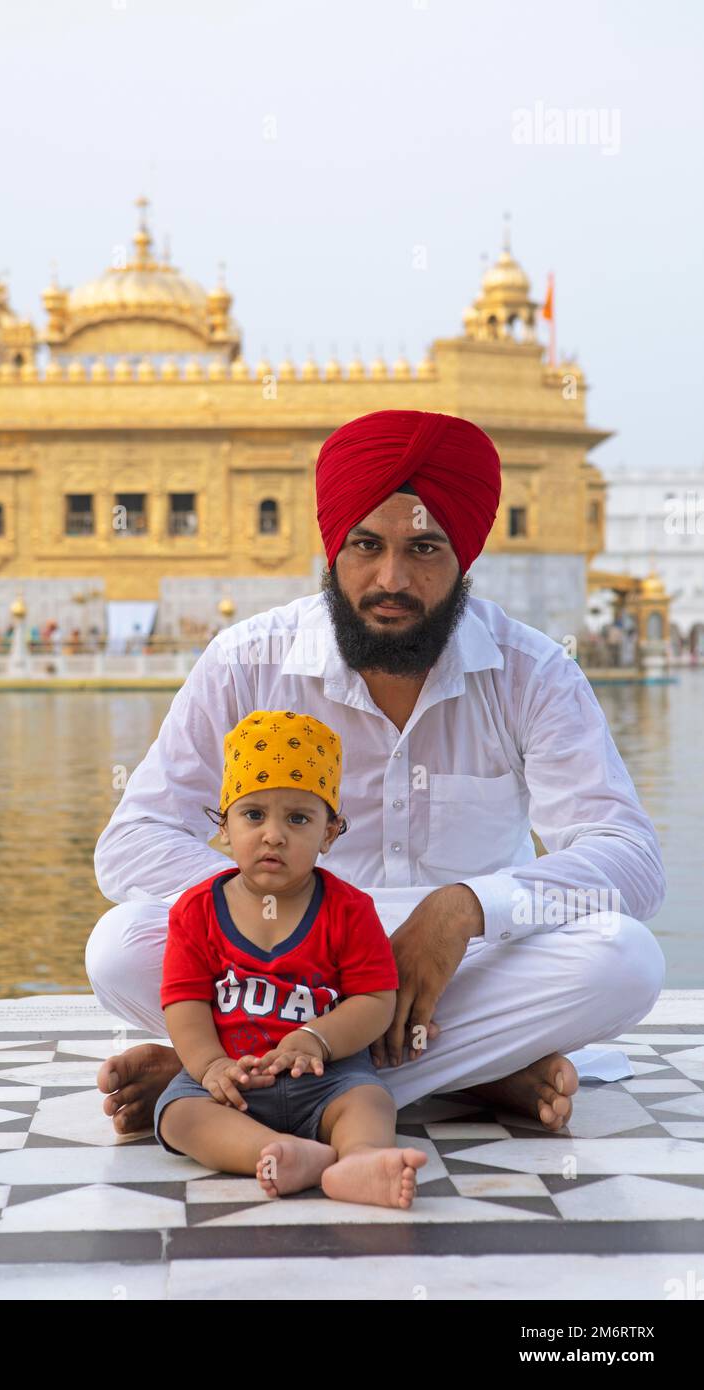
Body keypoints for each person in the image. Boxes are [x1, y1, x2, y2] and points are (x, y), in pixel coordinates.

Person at [88, 408, 666, 1142]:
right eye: (367, 545)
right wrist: (311, 915)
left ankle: (235, 1071)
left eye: (423, 548)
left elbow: (633, 861)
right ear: (334, 549)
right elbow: (131, 844)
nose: (391, 579)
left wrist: (463, 909)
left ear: (464, 557)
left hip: (460, 960)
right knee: (119, 946)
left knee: (623, 958)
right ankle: (478, 1073)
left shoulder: (532, 674)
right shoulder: (248, 662)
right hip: (286, 960)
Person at [153, 709, 428, 1207]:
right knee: (180, 1115)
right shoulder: (196, 912)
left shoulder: (349, 910)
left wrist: (317, 1038)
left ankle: (361, 1159)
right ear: (223, 827)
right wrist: (210, 1064)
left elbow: (375, 999)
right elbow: (184, 1000)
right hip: (233, 1077)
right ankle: (276, 1152)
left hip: (326, 1077)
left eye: (298, 818)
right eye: (253, 814)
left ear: (329, 833)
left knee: (369, 1102)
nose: (273, 835)